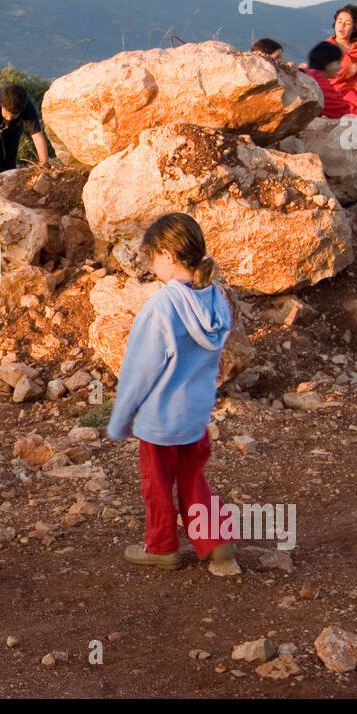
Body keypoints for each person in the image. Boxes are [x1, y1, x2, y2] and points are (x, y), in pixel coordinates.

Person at [107, 213, 238, 572]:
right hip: (196, 414)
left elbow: (139, 370)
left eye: (152, 258)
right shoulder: (216, 301)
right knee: (193, 477)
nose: (152, 267)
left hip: (160, 418)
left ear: (166, 255)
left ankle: (162, 546)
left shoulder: (161, 307)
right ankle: (217, 540)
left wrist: (121, 419)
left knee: (158, 484)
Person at [0, 84, 52, 176]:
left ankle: (4, 181)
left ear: (21, 110)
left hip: (15, 126)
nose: (9, 118)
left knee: (8, 159)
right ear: (2, 106)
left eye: (14, 115)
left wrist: (44, 164)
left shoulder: (28, 108)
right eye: (6, 114)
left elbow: (38, 137)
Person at [305, 41, 350, 119]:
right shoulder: (319, 85)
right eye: (338, 63)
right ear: (326, 62)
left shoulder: (309, 76)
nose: (340, 67)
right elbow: (342, 111)